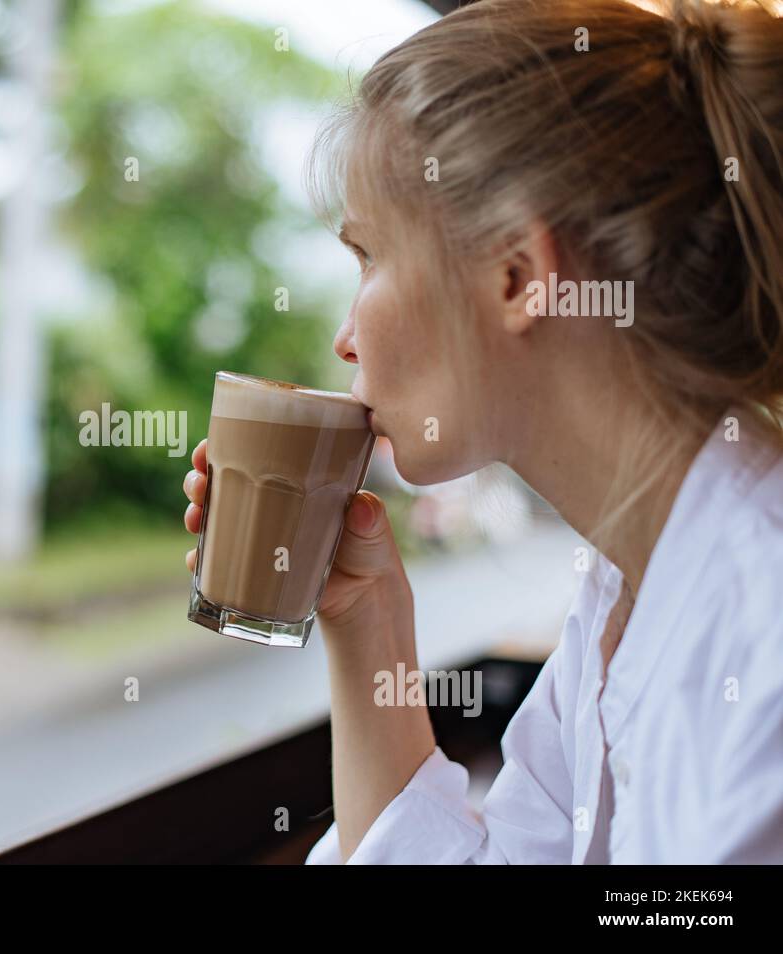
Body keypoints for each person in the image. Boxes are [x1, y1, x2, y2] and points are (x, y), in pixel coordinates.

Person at [181, 0, 783, 863]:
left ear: (516, 275)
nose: (344, 337)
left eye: (371, 257)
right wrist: (366, 621)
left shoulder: (764, 624)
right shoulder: (623, 592)